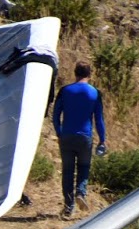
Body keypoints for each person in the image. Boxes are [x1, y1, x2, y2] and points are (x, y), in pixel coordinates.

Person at [54, 62, 106, 218]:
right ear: (89, 74)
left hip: (67, 136)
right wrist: (102, 139)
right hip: (85, 137)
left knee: (67, 171)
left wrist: (59, 133)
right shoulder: (95, 93)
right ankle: (81, 193)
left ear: (75, 73)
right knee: (84, 167)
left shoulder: (65, 91)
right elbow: (99, 119)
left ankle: (68, 207)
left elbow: (55, 115)